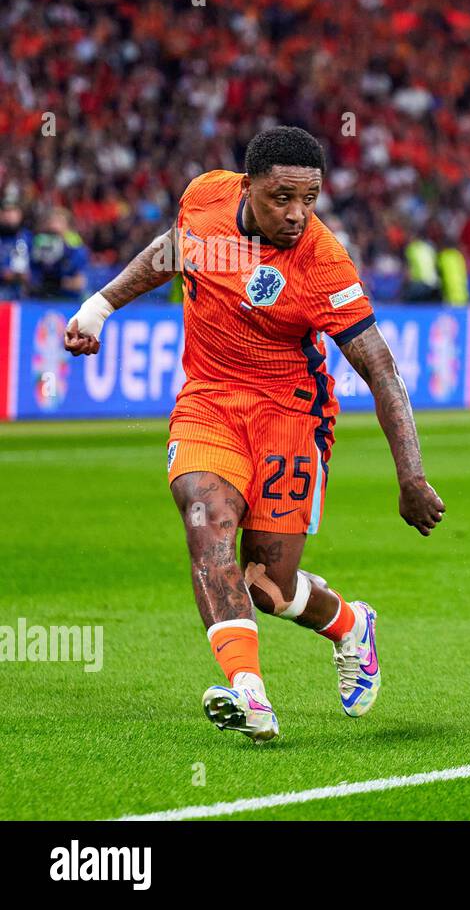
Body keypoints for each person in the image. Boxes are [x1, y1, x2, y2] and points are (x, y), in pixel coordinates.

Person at [63, 126, 446, 743]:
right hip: (208, 404)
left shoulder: (322, 261)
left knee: (267, 585)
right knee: (206, 522)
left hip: (290, 418)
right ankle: (251, 696)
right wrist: (100, 307)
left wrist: (411, 476)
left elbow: (379, 366)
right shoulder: (206, 197)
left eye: (310, 199)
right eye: (282, 198)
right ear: (247, 187)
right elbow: (173, 249)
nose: (297, 214)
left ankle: (351, 624)